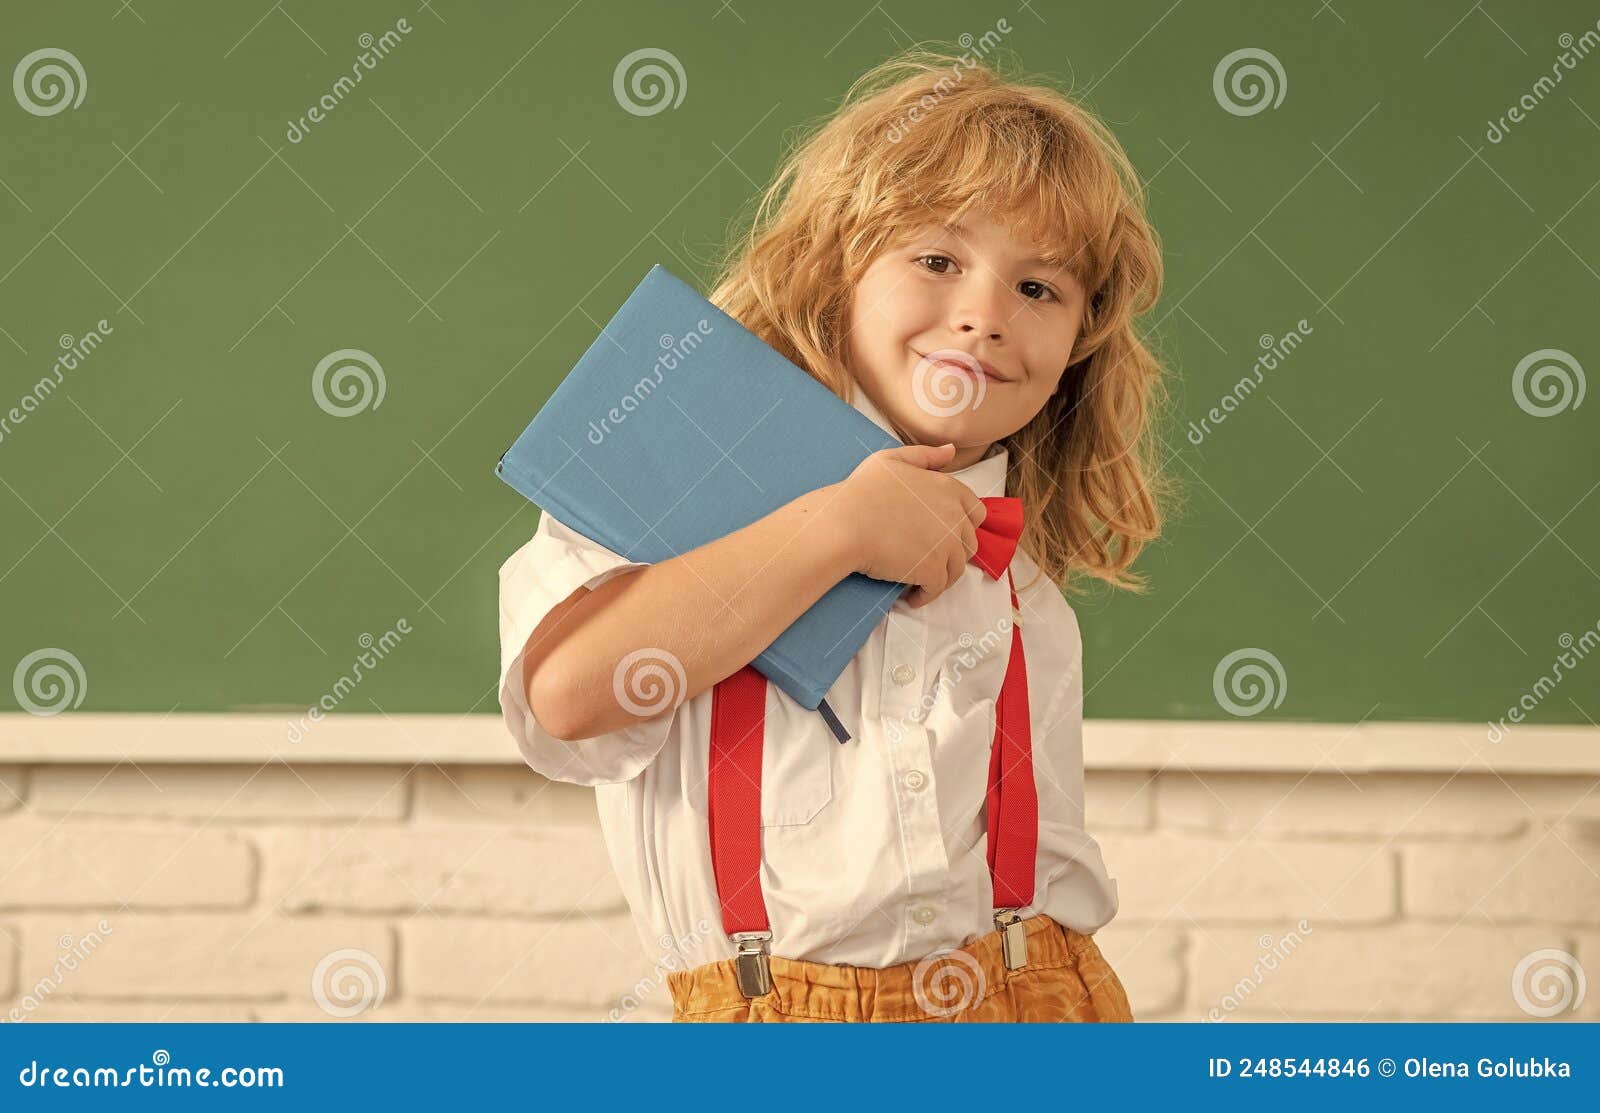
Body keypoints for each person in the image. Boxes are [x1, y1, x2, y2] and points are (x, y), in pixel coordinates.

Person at [497, 48, 1169, 1022]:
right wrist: (833, 528)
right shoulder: (666, 501)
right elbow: (566, 697)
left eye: (1040, 289)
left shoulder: (1025, 593)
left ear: (1078, 347)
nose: (982, 317)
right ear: (835, 274)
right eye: (937, 260)